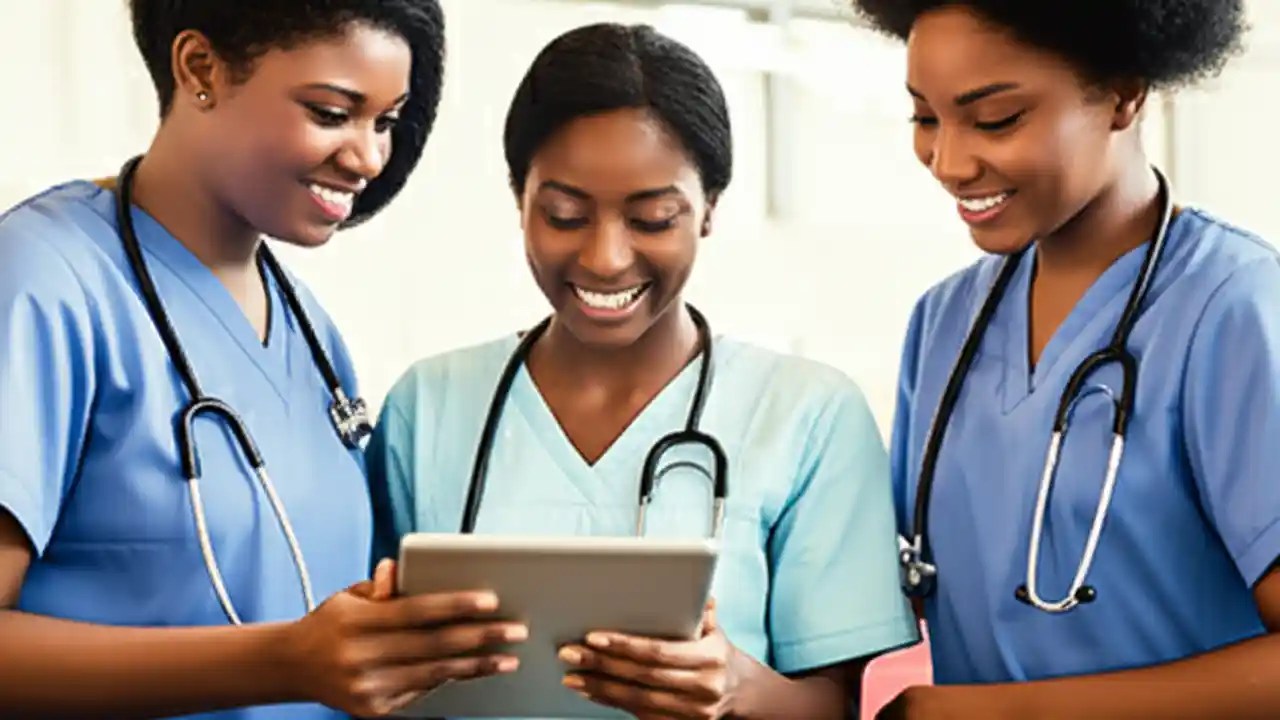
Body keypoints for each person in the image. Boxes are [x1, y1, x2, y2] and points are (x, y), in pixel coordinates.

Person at [367, 21, 918, 720]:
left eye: (654, 219)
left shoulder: (808, 415)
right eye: (564, 215)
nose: (605, 258)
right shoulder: (429, 405)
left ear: (710, 209)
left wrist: (734, 686)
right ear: (519, 200)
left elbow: (832, 708)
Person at [0, 2, 529, 718]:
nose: (371, 157)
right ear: (200, 68)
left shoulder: (311, 328)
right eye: (331, 112)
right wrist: (282, 664)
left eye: (385, 121)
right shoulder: (44, 281)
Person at [845, 1, 1280, 718]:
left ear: (1124, 94)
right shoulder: (944, 323)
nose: (949, 163)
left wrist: (1004, 714)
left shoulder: (1234, 307)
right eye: (926, 118)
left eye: (996, 120)